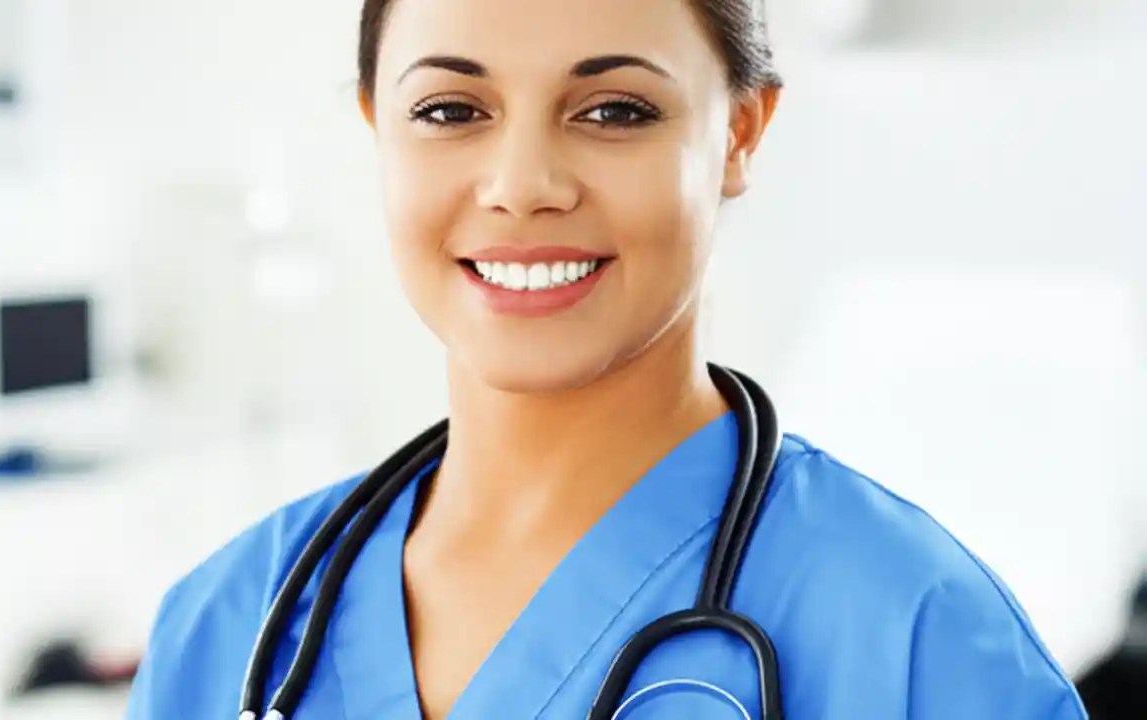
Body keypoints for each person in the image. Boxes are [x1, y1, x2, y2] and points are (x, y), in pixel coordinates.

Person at [126, 0, 1088, 717]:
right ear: (380, 127)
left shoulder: (916, 633)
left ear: (740, 135)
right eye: (452, 111)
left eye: (615, 111)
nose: (522, 186)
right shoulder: (227, 626)